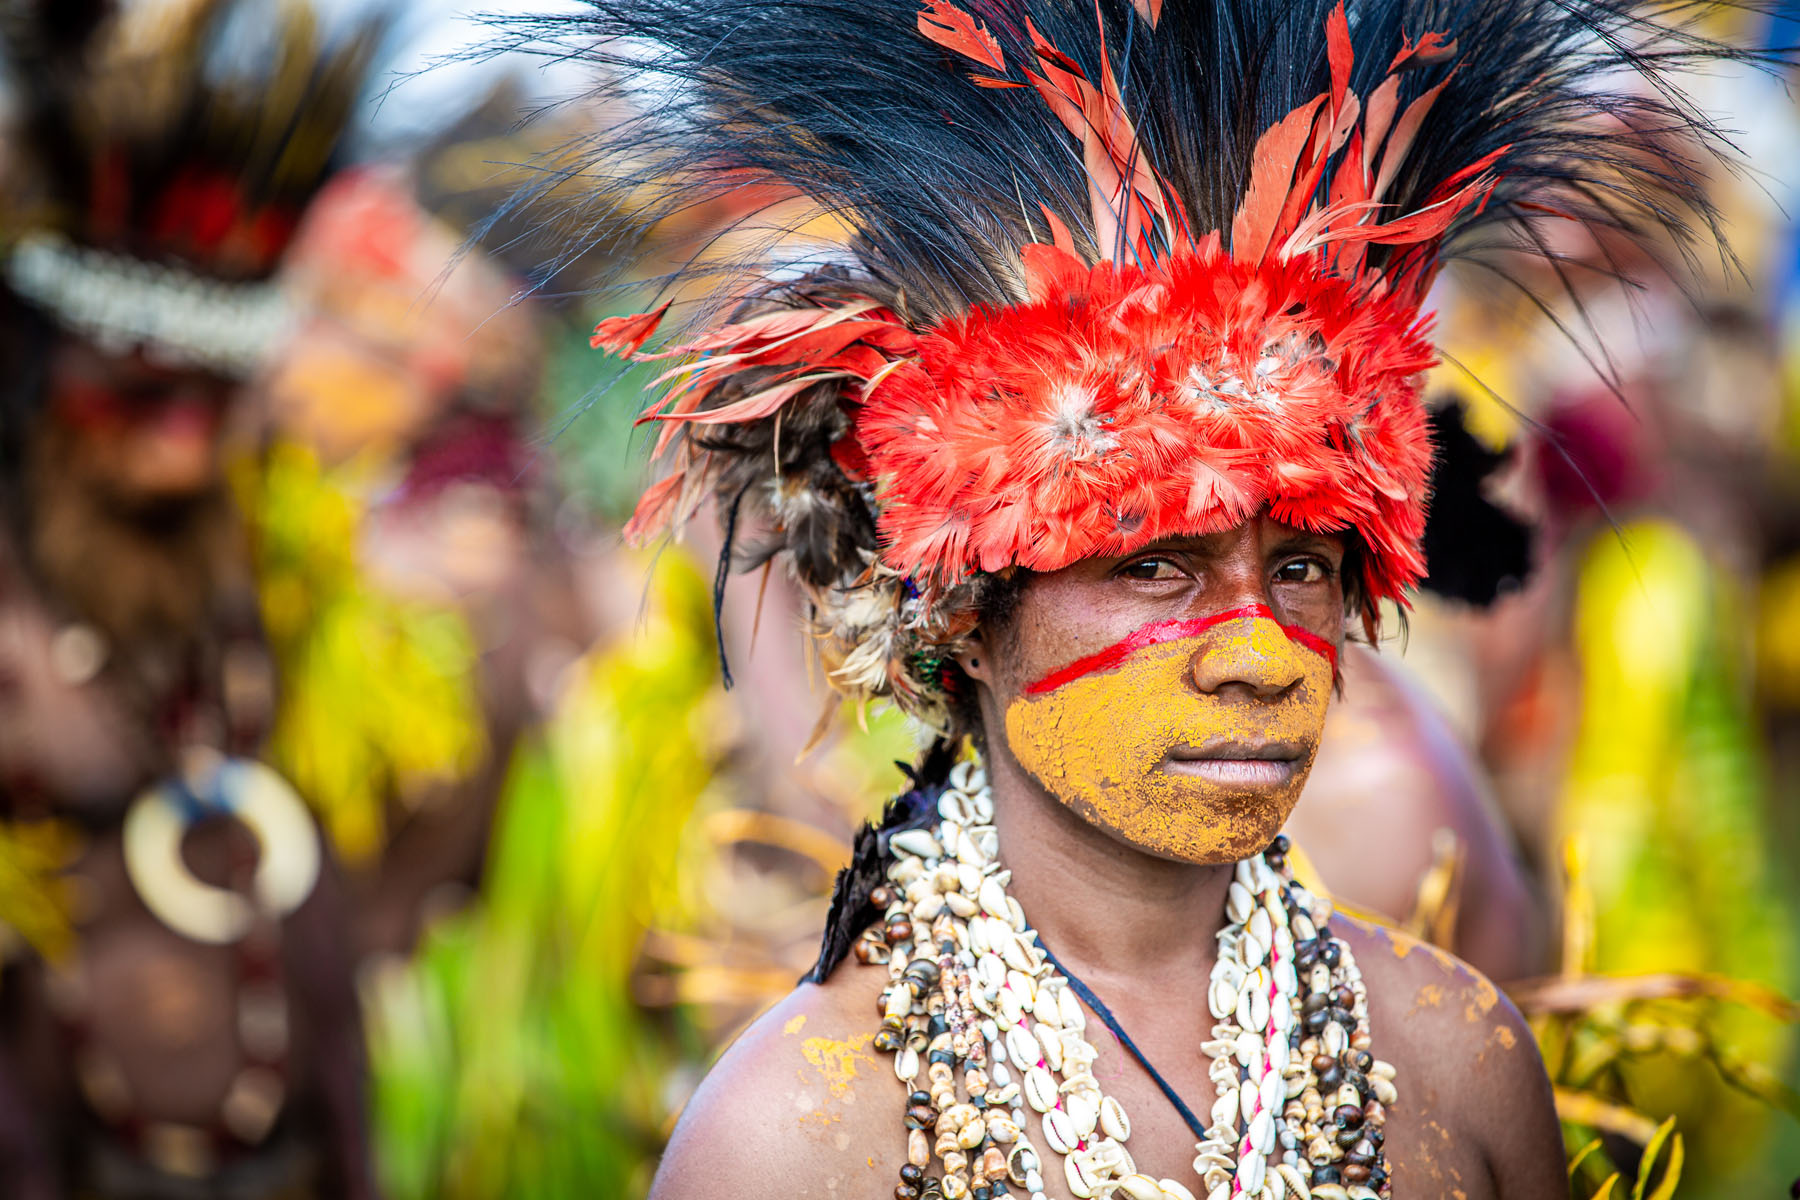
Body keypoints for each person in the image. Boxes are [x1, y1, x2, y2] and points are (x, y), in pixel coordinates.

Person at [524, 0, 1762, 1195]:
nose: (1261, 655)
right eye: (1151, 564)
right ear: (962, 613)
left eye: (1301, 568)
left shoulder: (1459, 1064)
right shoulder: (795, 1140)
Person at [0, 3, 381, 1194]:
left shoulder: (293, 576)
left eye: (211, 406)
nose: (181, 453)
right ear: (45, 380)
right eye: (141, 397)